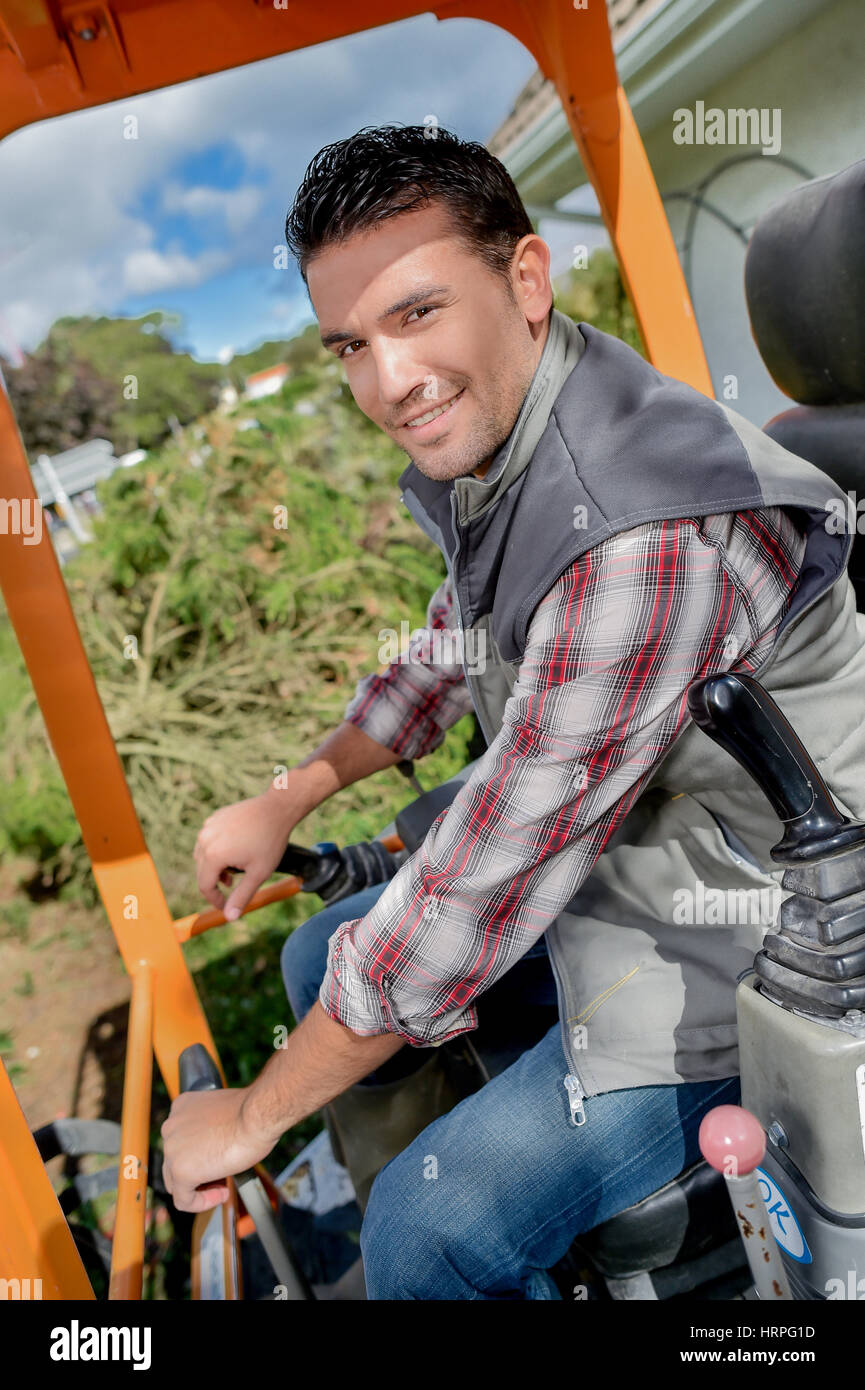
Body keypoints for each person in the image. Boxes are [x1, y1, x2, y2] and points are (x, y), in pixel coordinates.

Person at [162, 124, 865, 1299]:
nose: (389, 382)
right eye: (352, 344)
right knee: (314, 956)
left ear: (524, 281)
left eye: (418, 313)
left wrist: (248, 1119)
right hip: (648, 859)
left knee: (425, 1229)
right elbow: (451, 639)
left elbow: (476, 892)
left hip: (775, 937)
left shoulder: (640, 529)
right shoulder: (524, 427)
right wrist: (292, 792)